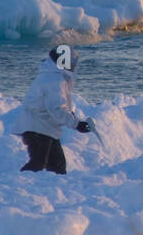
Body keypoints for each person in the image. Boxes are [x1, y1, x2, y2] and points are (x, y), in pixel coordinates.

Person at [15, 44, 93, 175]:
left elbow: (58, 105)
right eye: (71, 62)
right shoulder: (54, 79)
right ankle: (18, 183)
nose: (73, 65)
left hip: (43, 127)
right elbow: (56, 109)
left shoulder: (52, 76)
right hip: (37, 127)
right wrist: (76, 124)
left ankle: (49, 191)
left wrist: (73, 118)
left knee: (57, 166)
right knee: (38, 163)